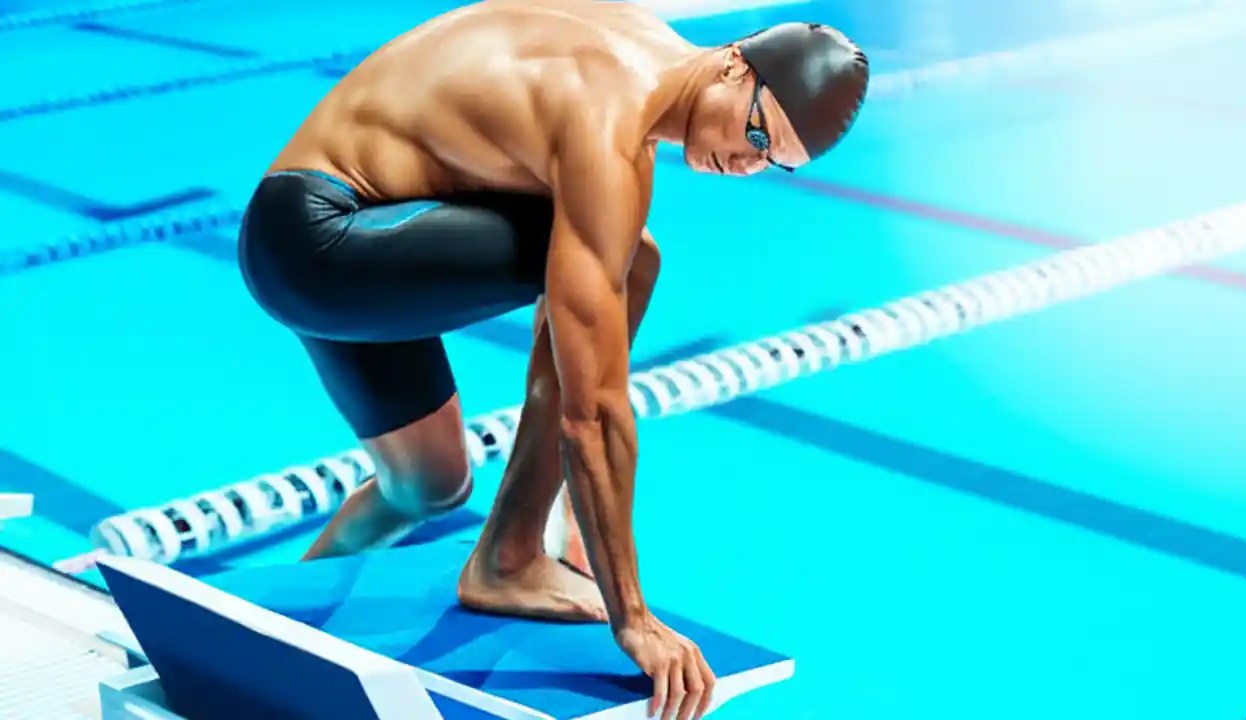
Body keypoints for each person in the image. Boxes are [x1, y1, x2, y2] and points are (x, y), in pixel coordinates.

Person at [237, 2, 868, 717]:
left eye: (771, 161)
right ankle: (508, 554)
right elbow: (592, 408)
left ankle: (250, 626)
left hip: (335, 229)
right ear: (734, 62)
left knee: (428, 487)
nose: (745, 160)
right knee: (626, 262)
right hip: (322, 241)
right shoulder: (612, 113)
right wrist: (635, 619)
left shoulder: (643, 50)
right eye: (756, 131)